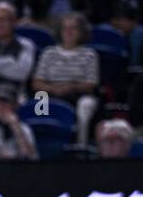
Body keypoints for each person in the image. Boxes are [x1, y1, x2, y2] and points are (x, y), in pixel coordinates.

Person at [30, 11, 99, 144]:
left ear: (81, 32)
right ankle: (40, 142)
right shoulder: (48, 53)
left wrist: (70, 87)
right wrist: (53, 89)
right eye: (65, 28)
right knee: (40, 97)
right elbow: (37, 83)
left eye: (73, 28)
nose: (69, 31)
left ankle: (81, 144)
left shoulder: (89, 54)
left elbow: (91, 83)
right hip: (50, 91)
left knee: (85, 106)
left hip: (78, 93)